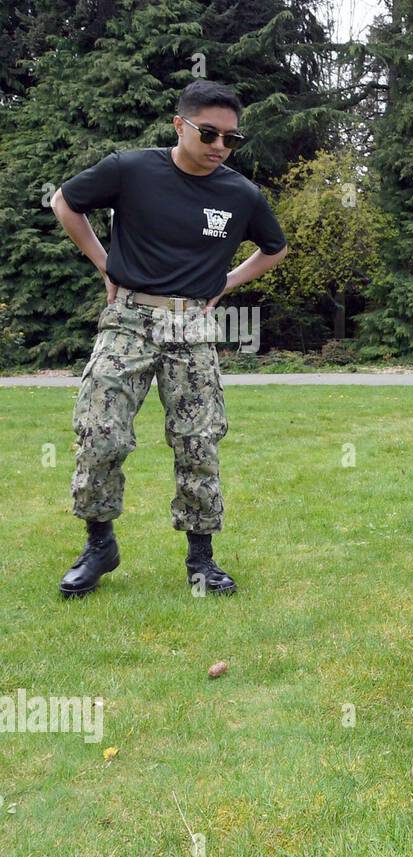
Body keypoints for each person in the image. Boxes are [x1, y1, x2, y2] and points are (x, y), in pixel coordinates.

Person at [50, 80, 288, 598]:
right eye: (208, 133)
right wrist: (104, 264)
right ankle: (99, 546)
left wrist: (224, 283)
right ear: (179, 125)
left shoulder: (240, 194)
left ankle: (202, 561)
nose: (219, 147)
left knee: (198, 442)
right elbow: (64, 201)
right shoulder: (130, 169)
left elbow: (274, 247)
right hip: (128, 318)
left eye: (231, 139)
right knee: (99, 432)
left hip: (192, 329)